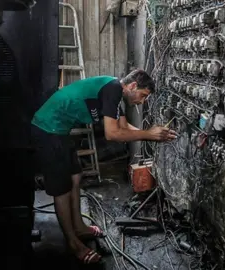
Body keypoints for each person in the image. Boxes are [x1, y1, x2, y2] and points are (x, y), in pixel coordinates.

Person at [31, 69, 177, 264]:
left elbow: (124, 128)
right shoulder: (114, 89)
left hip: (60, 130)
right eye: (143, 96)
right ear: (133, 86)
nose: (142, 102)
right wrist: (149, 134)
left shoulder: (116, 93)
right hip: (47, 129)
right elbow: (112, 134)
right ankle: (74, 243)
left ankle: (79, 227)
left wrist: (152, 133)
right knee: (61, 189)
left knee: (75, 176)